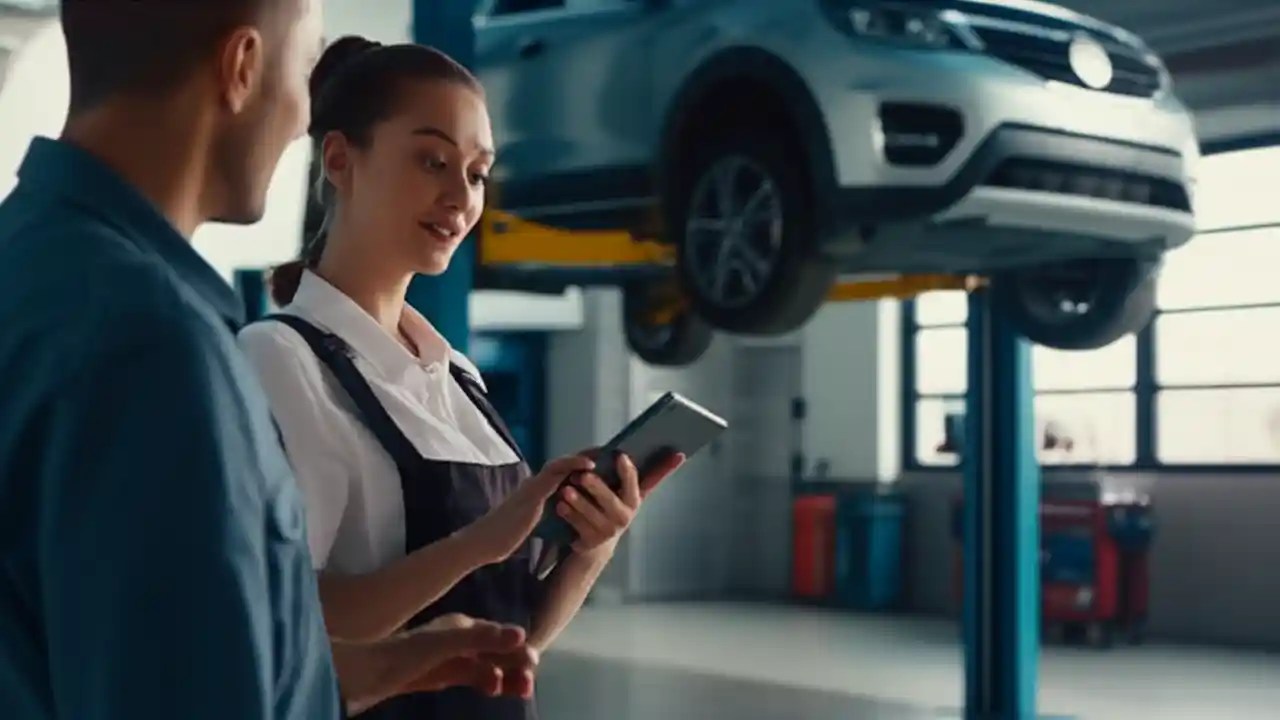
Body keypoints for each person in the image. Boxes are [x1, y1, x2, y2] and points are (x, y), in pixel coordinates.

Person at [0, 2, 541, 718]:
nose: (298, 121)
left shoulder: (33, 262)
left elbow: (152, 647)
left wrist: (370, 668)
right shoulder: (156, 349)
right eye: (305, 69)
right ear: (243, 68)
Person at [237, 36, 685, 720]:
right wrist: (479, 543)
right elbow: (291, 621)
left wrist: (594, 545)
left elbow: (513, 642)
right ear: (339, 159)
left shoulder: (458, 376)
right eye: (432, 160)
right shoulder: (280, 360)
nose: (460, 196)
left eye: (477, 172)